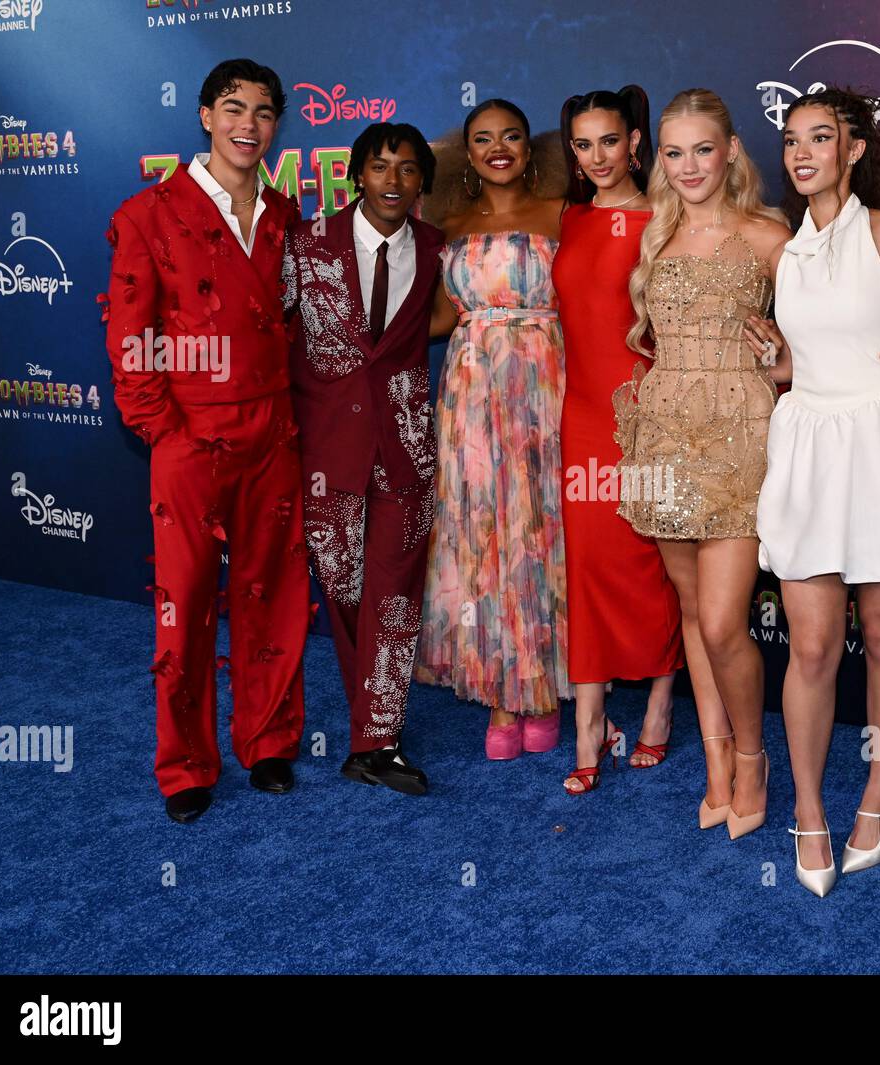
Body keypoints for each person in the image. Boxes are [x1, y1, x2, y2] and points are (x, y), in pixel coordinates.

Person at [742, 89, 880, 897]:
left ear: (856, 149)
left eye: (821, 138)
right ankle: (811, 809)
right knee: (813, 645)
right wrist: (776, 364)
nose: (801, 152)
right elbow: (811, 359)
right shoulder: (784, 251)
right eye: (792, 140)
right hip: (809, 443)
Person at [100, 59, 307, 823]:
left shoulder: (287, 216)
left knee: (276, 594)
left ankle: (270, 739)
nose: (247, 125)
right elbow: (132, 340)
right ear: (203, 116)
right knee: (181, 602)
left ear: (277, 124)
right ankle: (184, 764)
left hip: (272, 433)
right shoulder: (148, 214)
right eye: (232, 108)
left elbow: (291, 328)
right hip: (189, 436)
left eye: (261, 112)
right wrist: (167, 431)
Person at [615, 88, 791, 837]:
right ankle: (716, 765)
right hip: (661, 432)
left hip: (741, 432)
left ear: (731, 153)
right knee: (690, 613)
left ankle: (753, 758)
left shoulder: (768, 235)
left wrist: (785, 362)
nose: (689, 166)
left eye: (703, 150)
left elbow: (822, 333)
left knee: (723, 622)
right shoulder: (654, 236)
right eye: (674, 152)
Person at [283, 122, 444, 795]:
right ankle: (366, 724)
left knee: (395, 595)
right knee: (345, 592)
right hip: (326, 448)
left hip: (405, 446)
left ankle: (378, 739)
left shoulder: (437, 249)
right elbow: (273, 332)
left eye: (408, 170)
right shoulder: (306, 243)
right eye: (380, 167)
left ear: (422, 184)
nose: (393, 181)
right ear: (356, 175)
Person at [415, 99, 573, 759]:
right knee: (480, 531)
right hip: (470, 390)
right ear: (470, 153)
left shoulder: (562, 214)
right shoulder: (446, 223)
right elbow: (435, 324)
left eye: (511, 135)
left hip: (545, 390)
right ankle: (499, 694)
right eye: (484, 139)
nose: (498, 147)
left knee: (538, 532)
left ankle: (539, 688)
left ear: (530, 148)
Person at [553, 85, 684, 793]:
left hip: (647, 414)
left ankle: (661, 704)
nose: (597, 156)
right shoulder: (569, 218)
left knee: (649, 560)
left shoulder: (666, 219)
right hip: (579, 417)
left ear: (635, 140)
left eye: (609, 140)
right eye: (582, 143)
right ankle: (590, 723)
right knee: (590, 562)